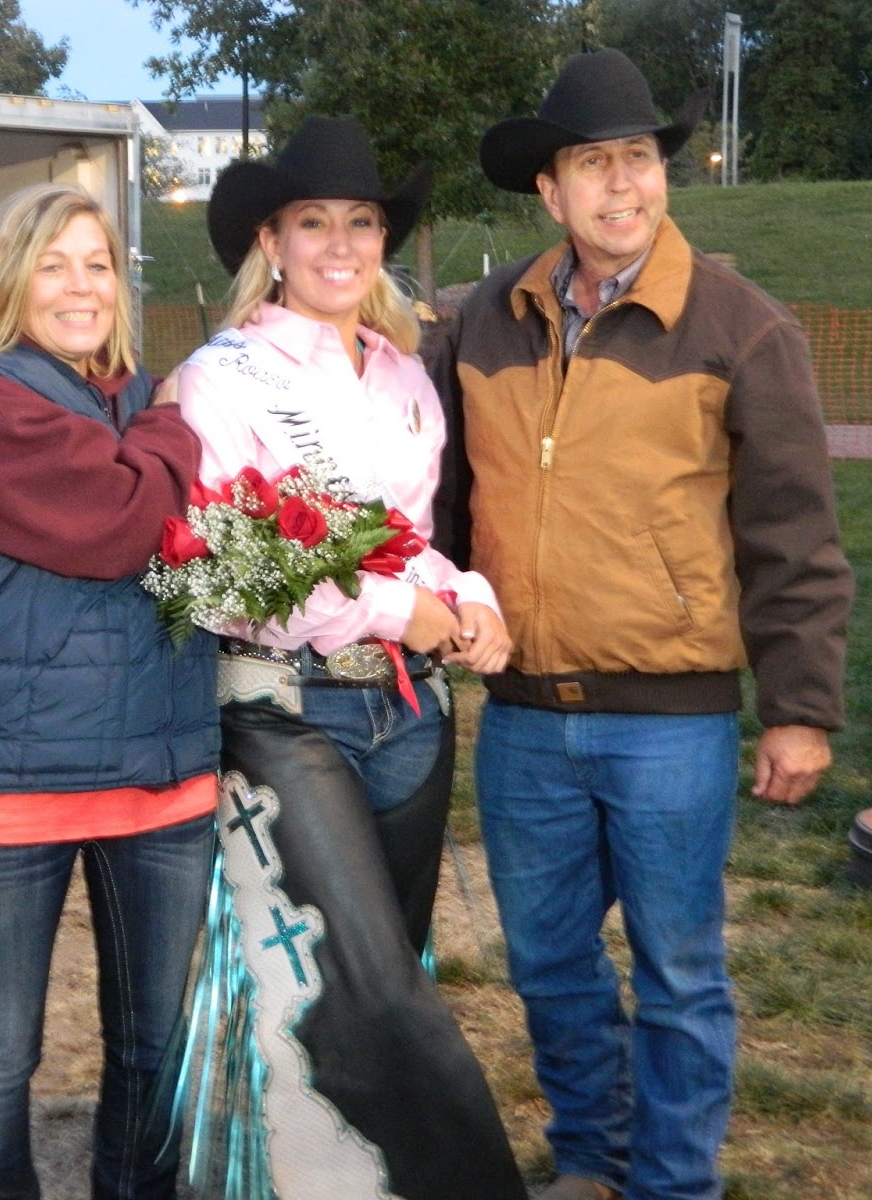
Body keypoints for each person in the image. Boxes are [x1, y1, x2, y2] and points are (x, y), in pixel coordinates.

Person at [427, 51, 853, 1200]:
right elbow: (441, 499)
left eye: (637, 160)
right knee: (549, 966)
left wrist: (800, 709)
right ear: (549, 191)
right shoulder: (482, 323)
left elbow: (795, 535)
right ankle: (591, 1161)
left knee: (677, 976)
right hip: (522, 720)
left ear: (663, 174)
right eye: (591, 165)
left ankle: (672, 1183)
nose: (620, 185)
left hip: (670, 724)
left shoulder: (741, 328)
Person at [172, 116, 526, 1200]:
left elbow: (412, 538)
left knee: (389, 968)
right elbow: (225, 571)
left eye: (362, 222)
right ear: (270, 242)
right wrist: (394, 608)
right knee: (364, 988)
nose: (340, 244)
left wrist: (470, 600)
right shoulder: (220, 378)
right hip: (287, 713)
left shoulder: (404, 378)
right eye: (314, 222)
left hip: (410, 716)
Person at [0, 181, 220, 1200]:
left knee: (155, 1046)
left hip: (159, 780)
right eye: (53, 265)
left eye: (98, 264)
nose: (81, 286)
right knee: (0, 1055)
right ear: (8, 278)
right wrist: (173, 428)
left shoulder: (132, 393)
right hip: (7, 787)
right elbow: (120, 521)